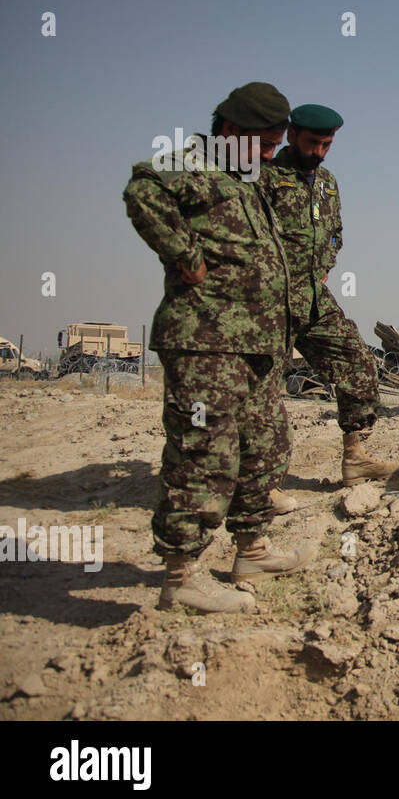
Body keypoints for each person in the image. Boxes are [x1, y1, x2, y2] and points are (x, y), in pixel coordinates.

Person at [123, 82, 313, 614]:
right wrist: (186, 254)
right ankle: (181, 573)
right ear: (232, 131)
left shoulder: (244, 178)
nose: (273, 155)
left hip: (254, 345)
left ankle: (251, 549)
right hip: (206, 342)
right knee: (204, 453)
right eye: (267, 143)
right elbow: (143, 190)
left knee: (265, 445)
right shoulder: (196, 162)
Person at [259, 104, 399, 499]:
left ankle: (355, 456)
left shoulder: (328, 182)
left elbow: (335, 231)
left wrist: (324, 265)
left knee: (357, 363)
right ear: (291, 136)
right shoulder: (264, 175)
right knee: (264, 390)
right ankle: (261, 486)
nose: (320, 150)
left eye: (327, 144)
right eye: (312, 142)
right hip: (269, 301)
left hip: (314, 297)